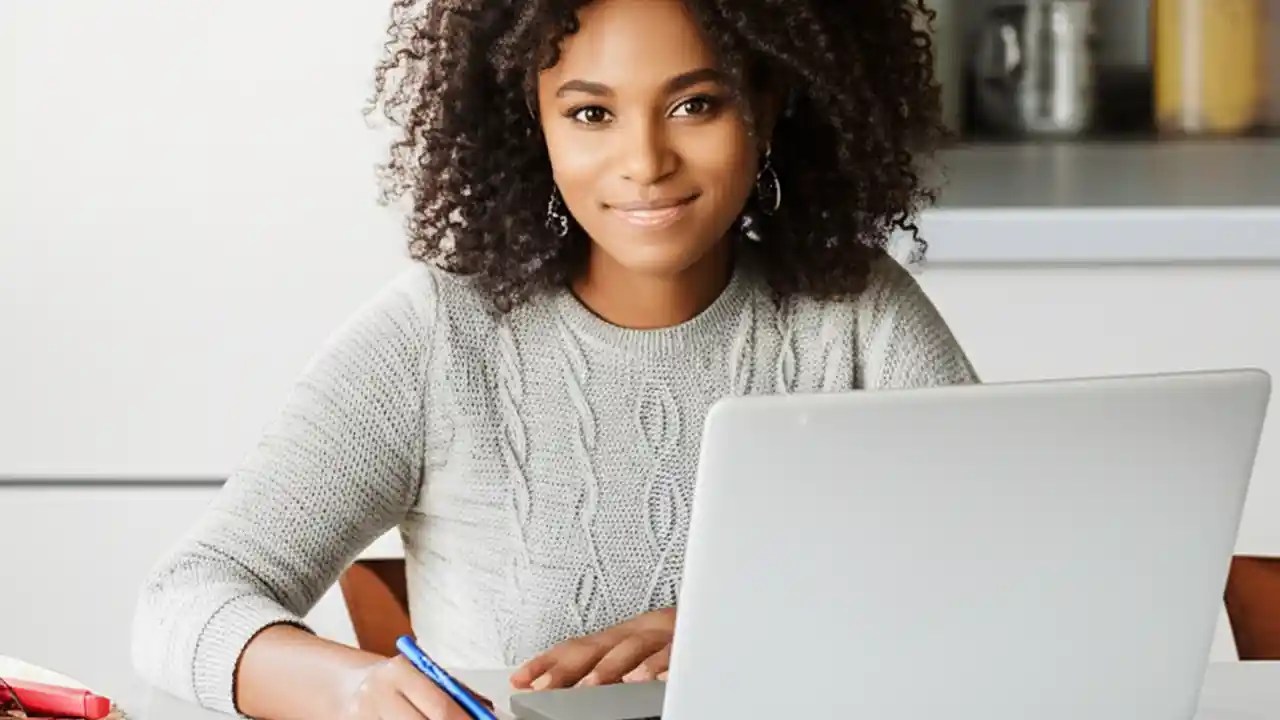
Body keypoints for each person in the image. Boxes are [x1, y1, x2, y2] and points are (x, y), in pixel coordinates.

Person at [131, 0, 978, 718]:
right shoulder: (439, 337)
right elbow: (182, 602)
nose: (645, 163)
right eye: (590, 113)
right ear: (528, 119)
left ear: (770, 98)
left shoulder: (858, 316)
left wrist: (738, 626)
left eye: (695, 105)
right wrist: (353, 692)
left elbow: (993, 580)